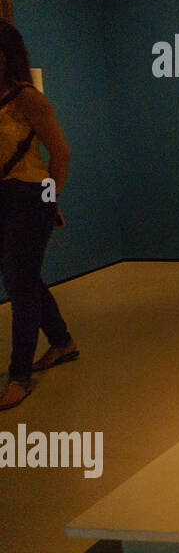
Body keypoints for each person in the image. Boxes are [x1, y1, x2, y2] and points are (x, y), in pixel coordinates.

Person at [0, 21, 77, 411]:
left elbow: (59, 152)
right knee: (23, 278)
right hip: (4, 199)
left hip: (30, 197)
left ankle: (19, 376)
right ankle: (62, 342)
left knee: (20, 284)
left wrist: (51, 199)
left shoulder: (27, 98)